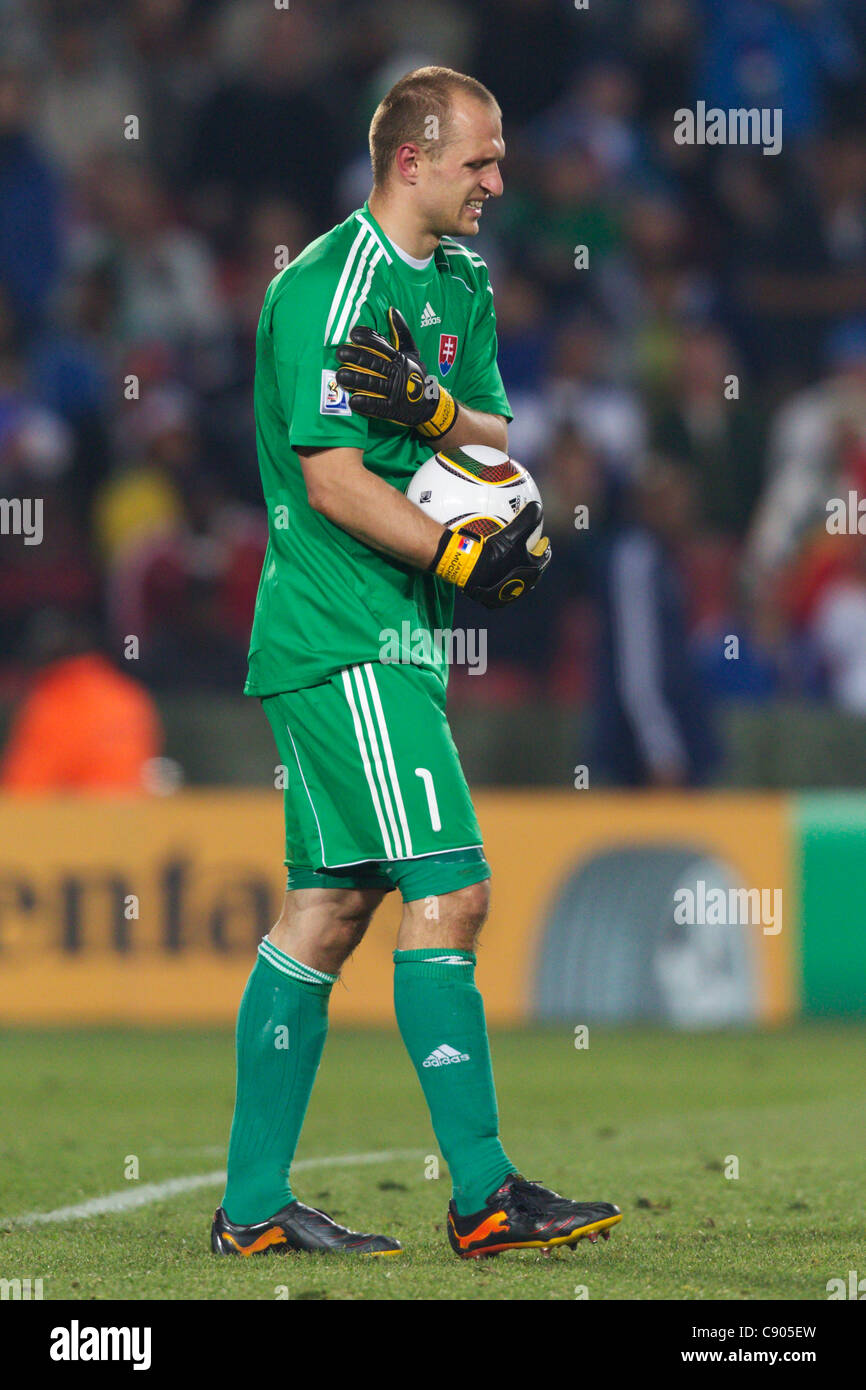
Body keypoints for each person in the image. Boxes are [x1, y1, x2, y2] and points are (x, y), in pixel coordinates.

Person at [211, 66, 621, 1261]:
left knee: (332, 907)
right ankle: (485, 1193)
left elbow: (493, 429)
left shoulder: (461, 282)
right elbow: (332, 480)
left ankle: (250, 1207)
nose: (499, 181)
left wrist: (440, 420)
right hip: (343, 635)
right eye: (480, 161)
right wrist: (459, 551)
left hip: (395, 637)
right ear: (411, 160)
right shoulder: (324, 288)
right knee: (454, 888)